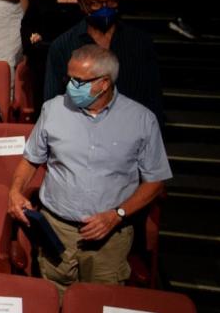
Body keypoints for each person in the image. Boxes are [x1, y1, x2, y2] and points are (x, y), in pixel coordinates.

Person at [9, 46, 171, 292]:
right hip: (56, 229)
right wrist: (15, 190)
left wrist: (117, 215)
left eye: (78, 80)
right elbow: (31, 159)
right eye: (69, 78)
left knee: (97, 310)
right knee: (53, 300)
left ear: (104, 83)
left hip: (108, 237)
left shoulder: (141, 120)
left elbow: (155, 180)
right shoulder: (53, 109)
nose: (70, 86)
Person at [43, 0, 164, 124]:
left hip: (130, 130)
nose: (105, 8)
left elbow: (153, 97)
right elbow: (52, 102)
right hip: (80, 132)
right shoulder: (62, 46)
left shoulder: (140, 43)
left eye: (111, 2)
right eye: (96, 3)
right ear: (81, 4)